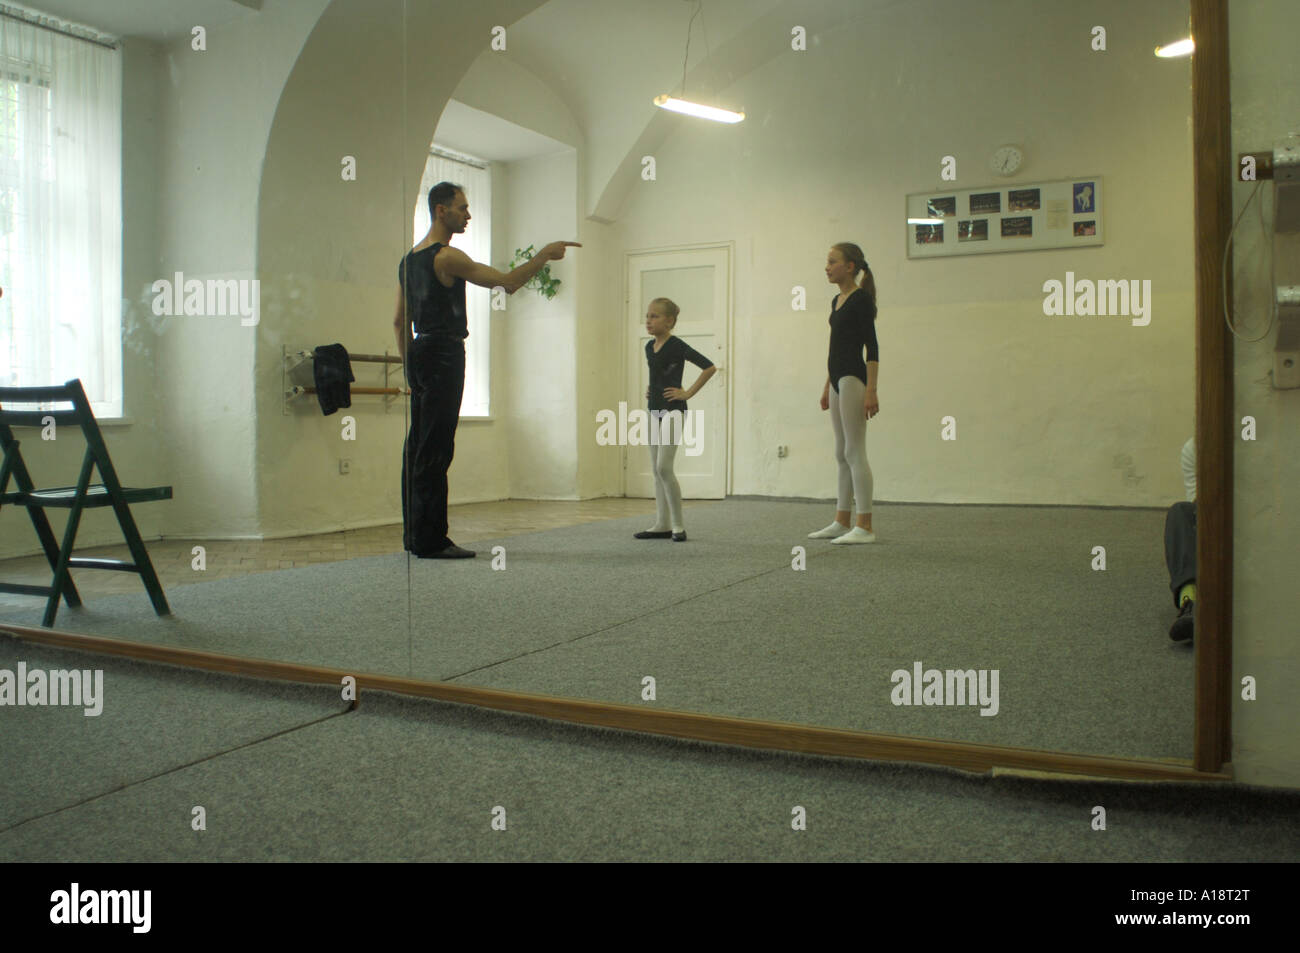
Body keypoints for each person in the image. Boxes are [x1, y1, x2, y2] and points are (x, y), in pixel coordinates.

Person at [394, 181, 579, 558]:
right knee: (436, 450)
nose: (469, 214)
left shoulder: (408, 260)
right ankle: (431, 541)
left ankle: (416, 537)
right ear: (441, 211)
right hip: (444, 354)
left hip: (419, 353)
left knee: (418, 446)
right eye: (462, 208)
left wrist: (409, 371)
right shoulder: (446, 257)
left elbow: (400, 321)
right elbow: (509, 282)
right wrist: (543, 255)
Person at [808, 243, 879, 545]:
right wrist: (827, 385)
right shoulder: (837, 299)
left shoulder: (861, 300)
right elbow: (835, 348)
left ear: (850, 266)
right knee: (841, 452)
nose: (827, 267)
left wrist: (872, 390)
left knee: (854, 450)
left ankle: (864, 525)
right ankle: (841, 519)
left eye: (832, 261)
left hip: (853, 378)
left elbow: (871, 348)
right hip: (837, 379)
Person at [633, 298, 716, 542]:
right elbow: (659, 374)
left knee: (664, 467)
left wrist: (687, 392)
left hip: (674, 411)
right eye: (647, 316)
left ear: (669, 321)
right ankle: (662, 523)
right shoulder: (649, 347)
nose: (649, 321)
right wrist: (653, 389)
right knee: (656, 471)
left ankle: (678, 525)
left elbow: (709, 367)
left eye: (655, 316)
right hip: (653, 410)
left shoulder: (677, 345)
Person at [1164, 436, 1197, 641]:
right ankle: (1190, 603)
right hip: (1221, 513)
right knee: (1180, 512)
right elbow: (1199, 503)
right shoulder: (1193, 448)